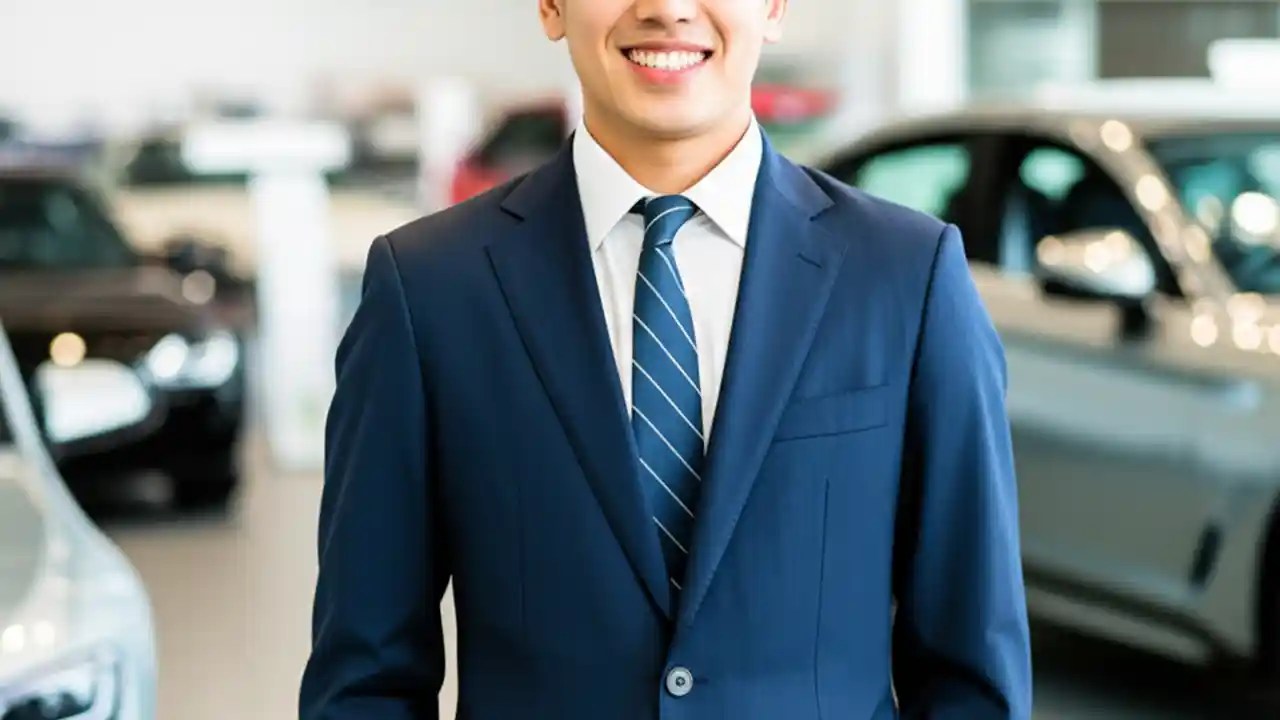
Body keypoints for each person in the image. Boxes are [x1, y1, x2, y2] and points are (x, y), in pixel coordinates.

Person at [299, 0, 1033, 718]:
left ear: (774, 7)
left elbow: (972, 670)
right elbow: (366, 679)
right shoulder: (430, 288)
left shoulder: (907, 276)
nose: (668, 8)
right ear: (550, 7)